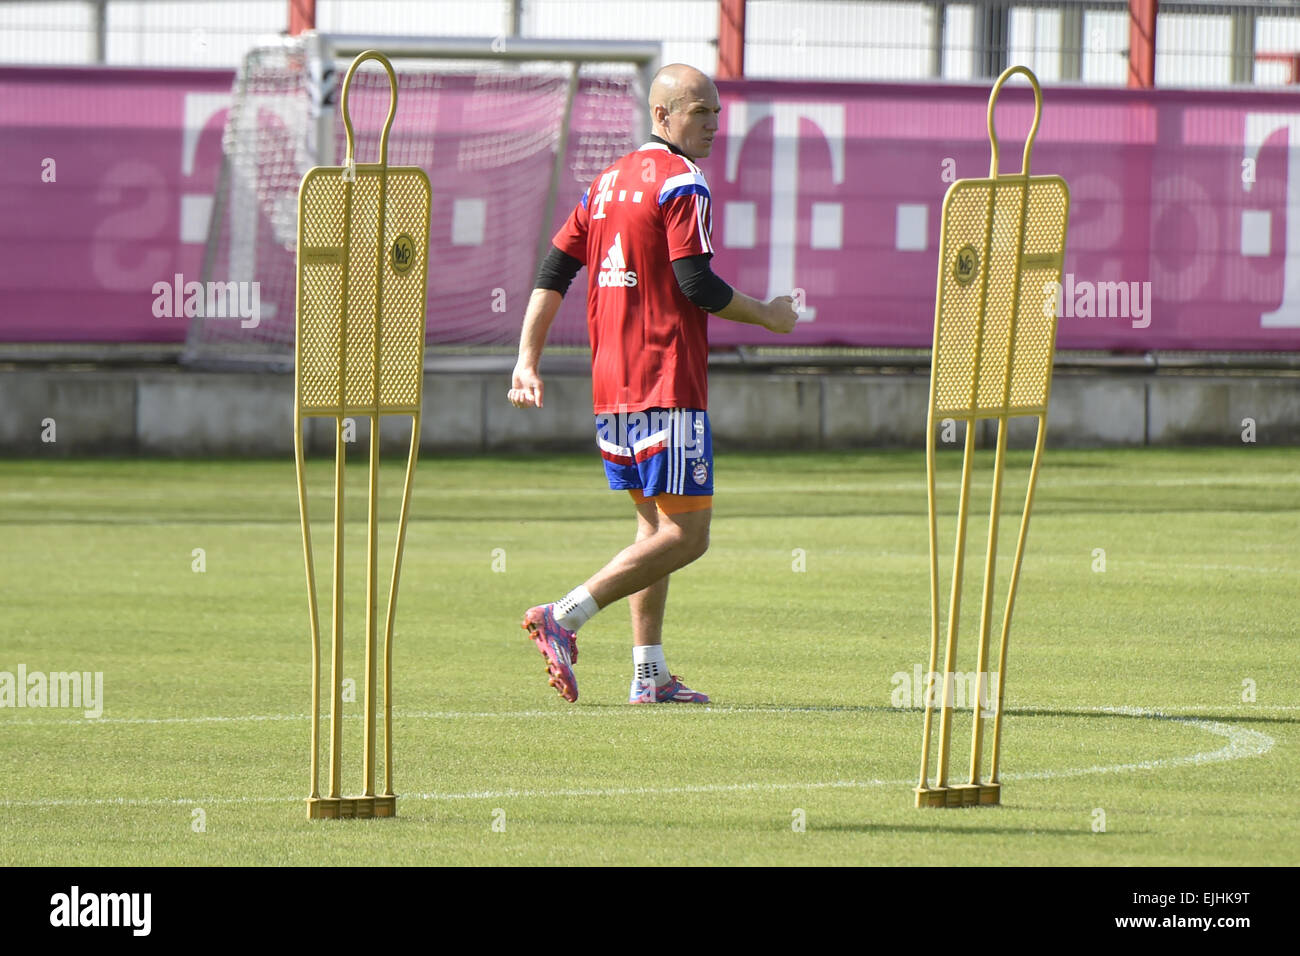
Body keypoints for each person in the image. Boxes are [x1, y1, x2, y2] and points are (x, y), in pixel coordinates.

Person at [507, 63, 797, 705]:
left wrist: (526, 358)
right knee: (689, 536)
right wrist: (771, 316)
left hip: (612, 389)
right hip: (666, 382)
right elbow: (698, 285)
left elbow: (554, 271)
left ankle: (649, 675)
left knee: (653, 534)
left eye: (718, 113)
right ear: (662, 117)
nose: (715, 126)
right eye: (701, 113)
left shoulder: (604, 185)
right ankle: (566, 614)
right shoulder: (681, 183)